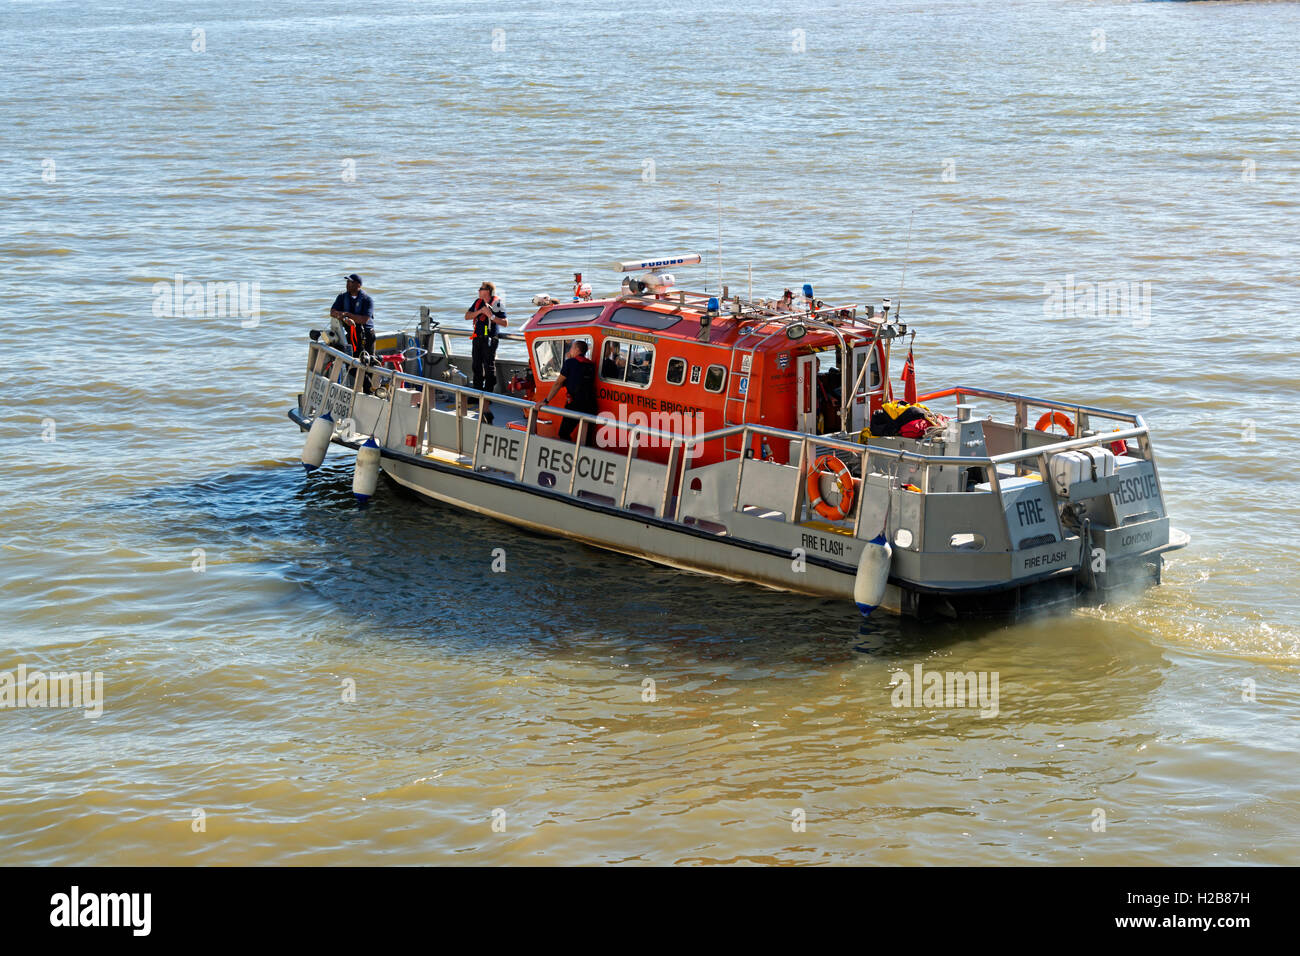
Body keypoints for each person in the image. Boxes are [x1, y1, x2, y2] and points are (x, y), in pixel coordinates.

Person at [537, 340, 596, 443]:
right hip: (590, 406)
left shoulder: (569, 363)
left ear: (577, 349)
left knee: (563, 433)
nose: (570, 350)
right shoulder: (591, 365)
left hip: (575, 405)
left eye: (572, 348)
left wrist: (546, 400)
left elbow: (558, 383)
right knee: (587, 438)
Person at [331, 273, 375, 393]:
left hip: (366, 336)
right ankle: (367, 388)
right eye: (347, 282)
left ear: (358, 285)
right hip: (351, 335)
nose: (347, 284)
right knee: (350, 363)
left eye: (350, 282)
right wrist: (343, 317)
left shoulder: (367, 300)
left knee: (368, 363)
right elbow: (333, 311)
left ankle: (368, 391)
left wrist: (348, 315)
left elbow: (364, 319)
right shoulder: (342, 297)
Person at [465, 281, 507, 395]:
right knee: (476, 366)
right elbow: (467, 316)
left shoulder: (497, 303)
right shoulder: (477, 302)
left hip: (489, 339)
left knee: (488, 367)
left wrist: (491, 315)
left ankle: (488, 395)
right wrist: (480, 311)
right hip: (477, 338)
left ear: (487, 291)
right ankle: (477, 393)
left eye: (481, 288)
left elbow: (504, 323)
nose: (478, 291)